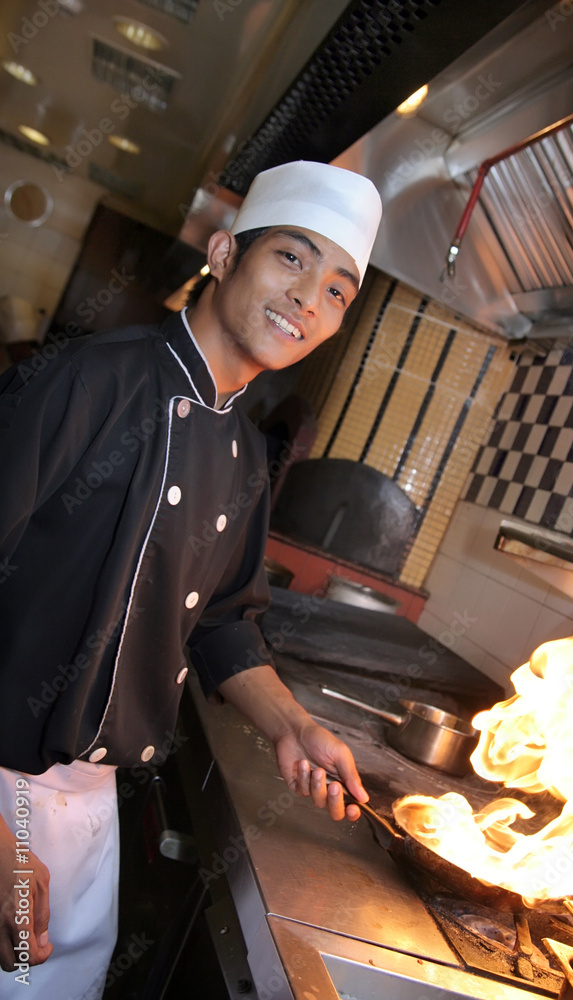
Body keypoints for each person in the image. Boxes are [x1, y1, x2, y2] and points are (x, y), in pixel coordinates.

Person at [0, 160, 383, 997]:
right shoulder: (89, 381)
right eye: (291, 258)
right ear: (220, 254)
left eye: (336, 290)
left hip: (89, 800)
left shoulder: (243, 449)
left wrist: (290, 724)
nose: (307, 299)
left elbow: (218, 625)